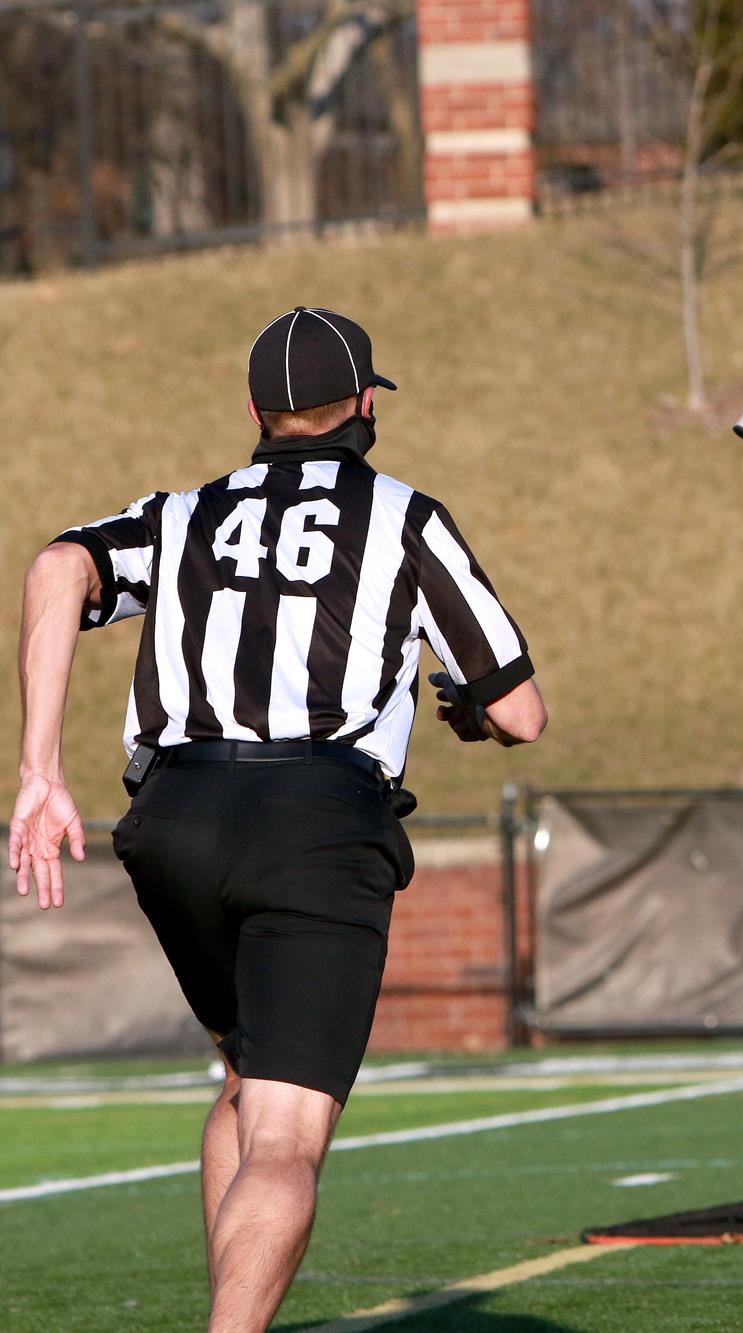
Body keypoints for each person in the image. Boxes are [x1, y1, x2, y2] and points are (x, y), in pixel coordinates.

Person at [7, 306, 546, 1333]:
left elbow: (56, 567)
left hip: (173, 813)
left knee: (247, 1075)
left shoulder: (184, 512)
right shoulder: (402, 516)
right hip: (316, 818)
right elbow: (519, 708)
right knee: (287, 1138)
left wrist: (39, 767)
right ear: (366, 403)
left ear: (258, 410)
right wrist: (473, 712)